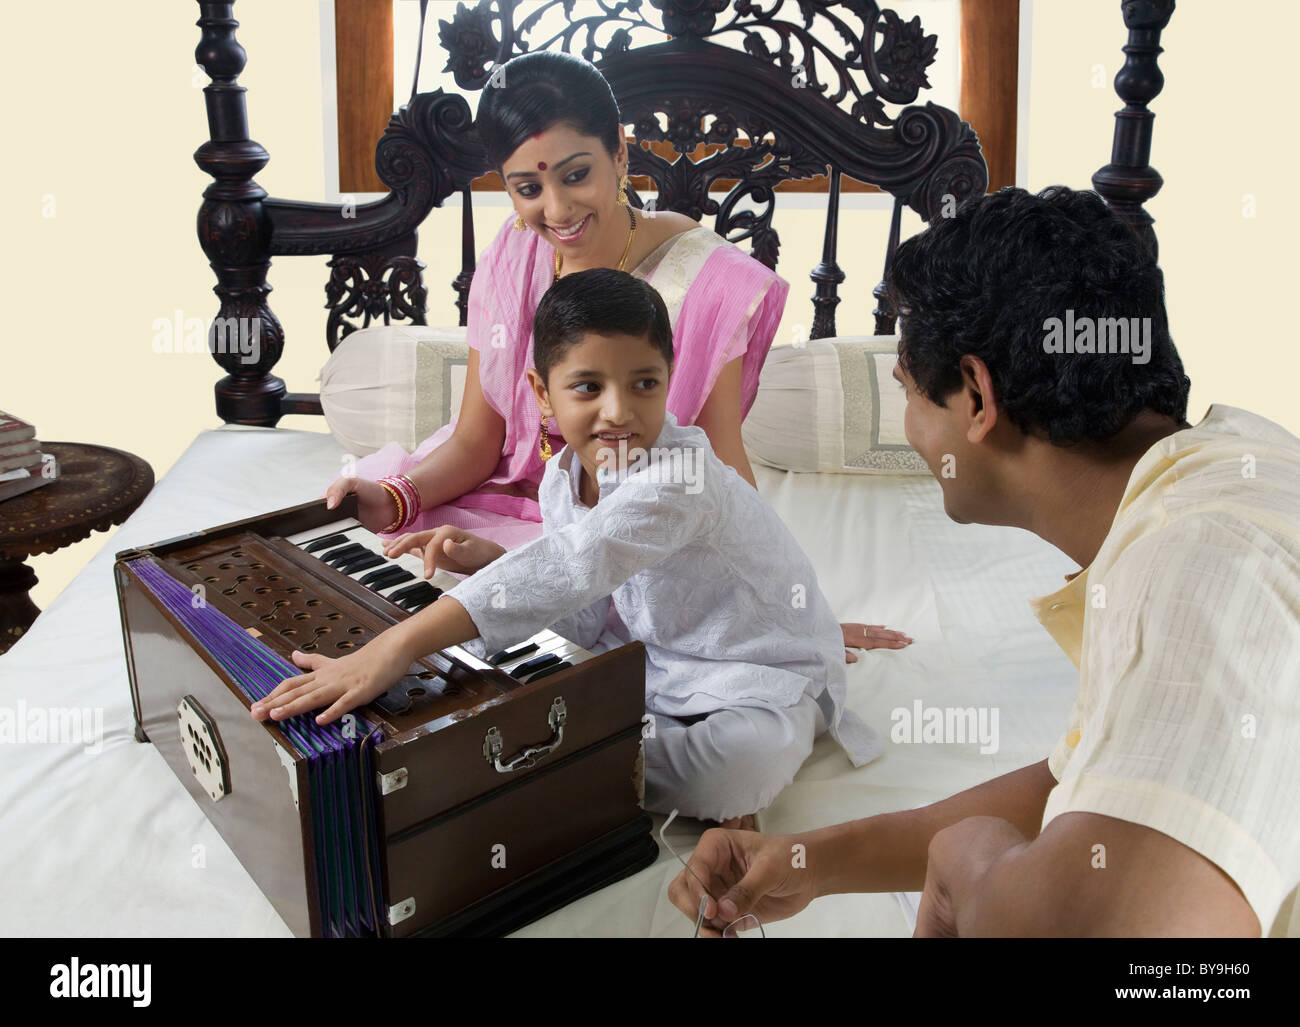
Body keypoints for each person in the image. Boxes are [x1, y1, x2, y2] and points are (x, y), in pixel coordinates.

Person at [668, 185, 1300, 937]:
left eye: (908, 391)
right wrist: (811, 858)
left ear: (976, 395)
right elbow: (1094, 793)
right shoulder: (1232, 478)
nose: (910, 428)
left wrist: (967, 861)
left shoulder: (1199, 562)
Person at [325, 49, 908, 664]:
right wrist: (395, 498)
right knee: (366, 585)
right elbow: (477, 441)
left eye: (576, 175)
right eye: (528, 188)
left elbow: (722, 476)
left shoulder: (711, 282)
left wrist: (783, 604)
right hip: (505, 505)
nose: (556, 210)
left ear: (620, 154)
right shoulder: (513, 254)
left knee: (639, 622)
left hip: (632, 520)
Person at [255, 269, 882, 827]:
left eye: (645, 383)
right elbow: (581, 605)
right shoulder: (563, 478)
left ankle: (535, 761)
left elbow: (572, 565)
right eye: (588, 387)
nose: (619, 412)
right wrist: (496, 563)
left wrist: (394, 648)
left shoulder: (681, 478)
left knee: (739, 767)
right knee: (504, 660)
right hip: (653, 657)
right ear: (541, 391)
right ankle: (565, 751)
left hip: (756, 675)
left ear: (670, 378)